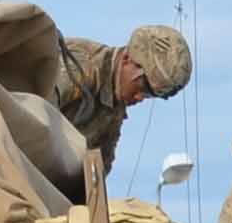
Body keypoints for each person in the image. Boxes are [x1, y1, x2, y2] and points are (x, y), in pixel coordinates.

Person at [53, 21, 197, 192]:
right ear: (127, 59)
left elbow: (97, 172)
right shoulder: (80, 69)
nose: (140, 97)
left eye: (151, 95)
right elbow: (33, 117)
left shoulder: (115, 103)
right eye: (142, 87)